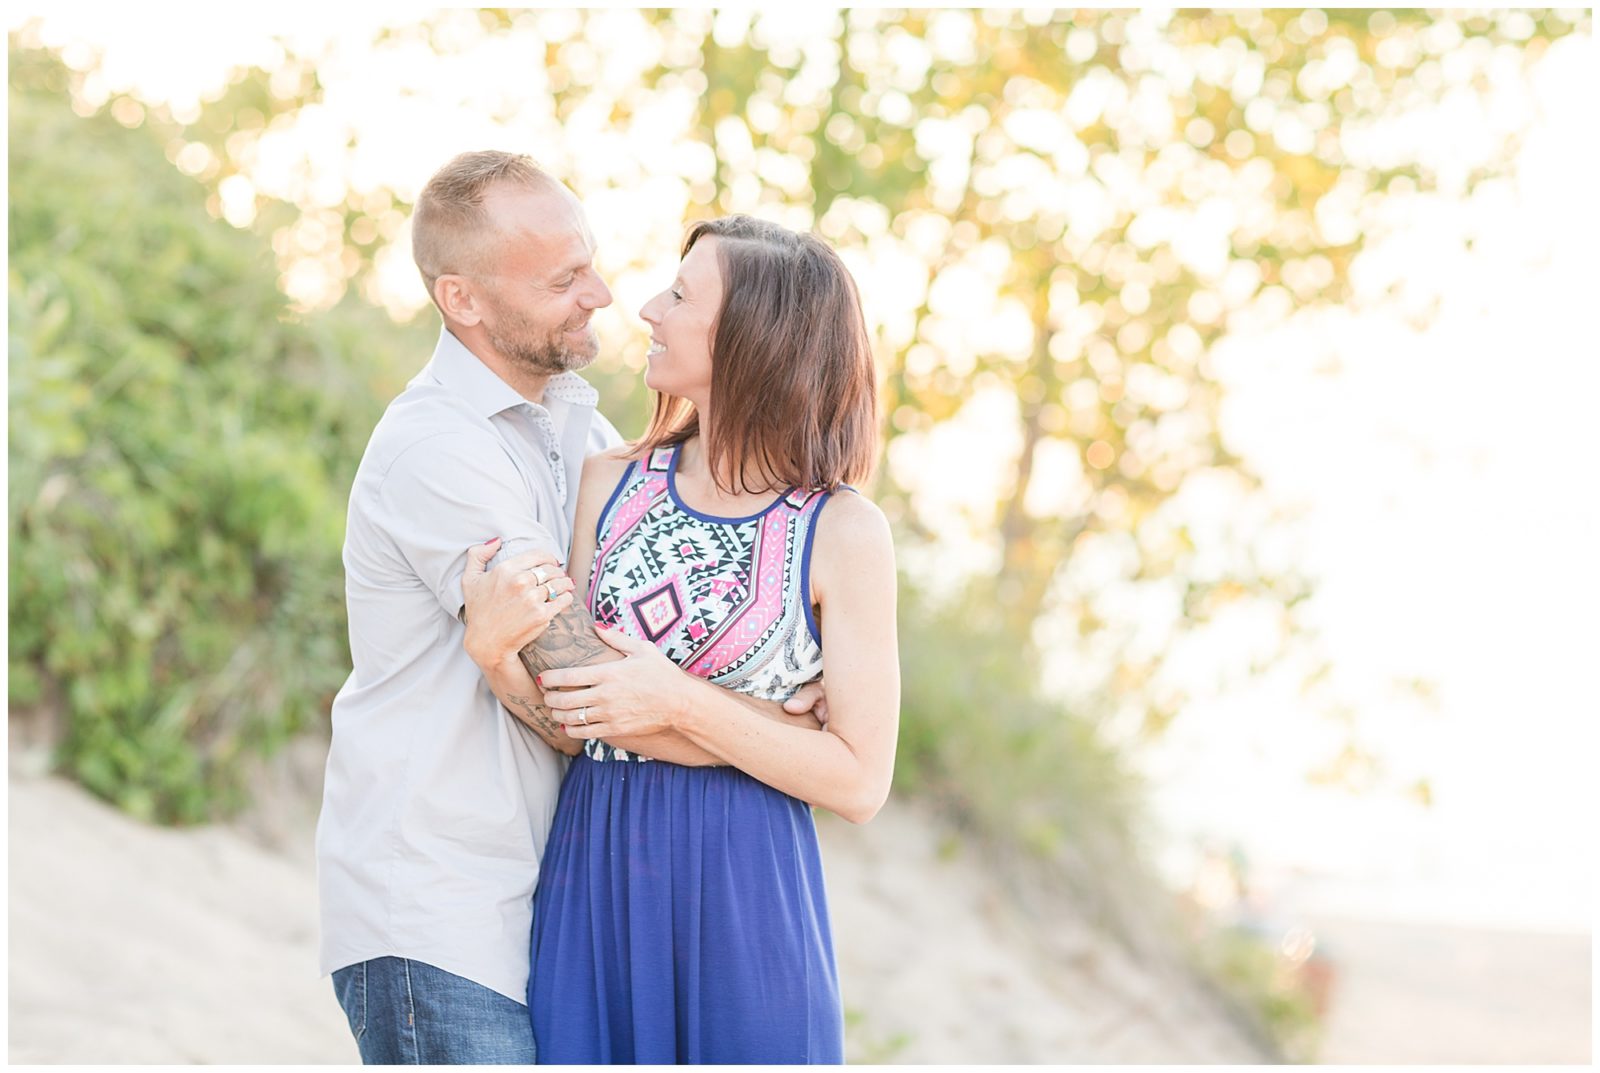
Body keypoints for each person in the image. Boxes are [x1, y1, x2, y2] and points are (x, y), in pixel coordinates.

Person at [314, 153, 825, 1065]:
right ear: (463, 300)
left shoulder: (583, 440)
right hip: (440, 905)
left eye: (588, 261)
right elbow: (587, 691)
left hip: (547, 907)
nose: (602, 293)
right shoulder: (439, 449)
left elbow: (629, 680)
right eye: (562, 279)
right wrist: (789, 735)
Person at [460, 215, 901, 1063]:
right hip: (596, 877)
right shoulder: (609, 483)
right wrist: (775, 725)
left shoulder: (845, 531)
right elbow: (577, 711)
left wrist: (676, 699)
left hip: (748, 897)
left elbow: (858, 780)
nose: (648, 310)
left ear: (753, 337)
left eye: (681, 295)